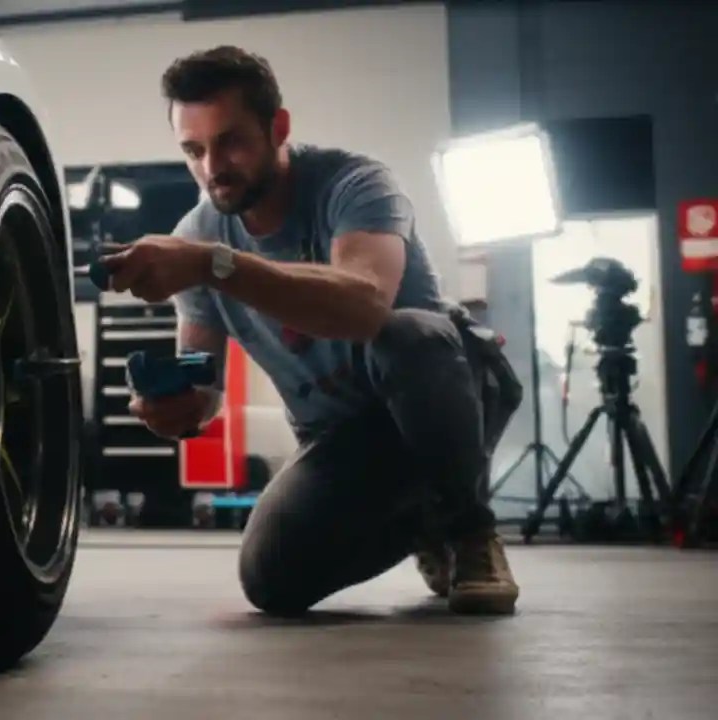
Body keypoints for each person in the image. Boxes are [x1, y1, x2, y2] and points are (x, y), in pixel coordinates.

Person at [98, 45, 525, 615]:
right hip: (342, 440)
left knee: (408, 336)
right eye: (193, 150)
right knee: (270, 579)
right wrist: (173, 407)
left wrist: (212, 263)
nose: (212, 167)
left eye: (230, 141)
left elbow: (365, 309)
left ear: (278, 127)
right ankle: (425, 519)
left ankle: (471, 531)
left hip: (448, 394)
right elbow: (203, 389)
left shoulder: (355, 184)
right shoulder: (197, 232)